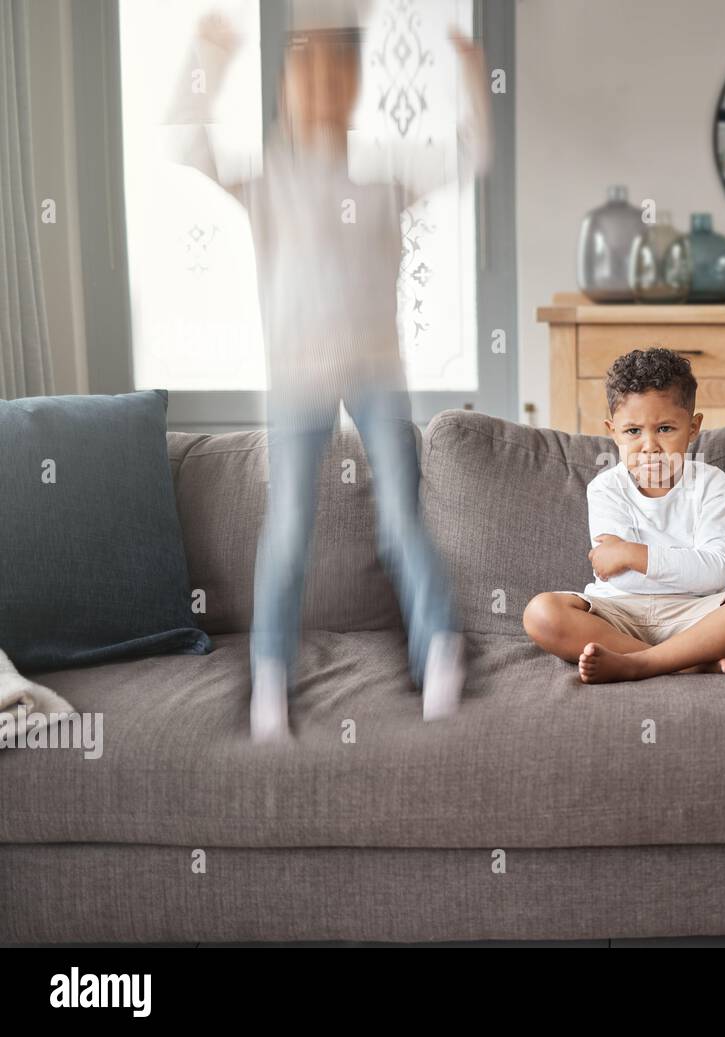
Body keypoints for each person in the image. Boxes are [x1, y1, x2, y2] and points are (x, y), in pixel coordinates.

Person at [171, 11, 492, 739]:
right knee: (288, 526)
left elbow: (470, 154)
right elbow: (187, 139)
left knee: (400, 518)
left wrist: (472, 74)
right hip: (296, 377)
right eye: (307, 74)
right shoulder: (267, 181)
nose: (322, 88)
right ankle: (270, 676)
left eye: (337, 75)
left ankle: (438, 645)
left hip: (377, 369)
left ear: (354, 92)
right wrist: (208, 58)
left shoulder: (379, 181)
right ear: (285, 91)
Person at [522, 348, 725, 682]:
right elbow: (620, 577)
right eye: (633, 431)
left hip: (695, 616)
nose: (649, 446)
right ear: (613, 430)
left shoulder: (714, 486)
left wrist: (632, 553)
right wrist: (709, 568)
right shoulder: (606, 488)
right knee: (541, 613)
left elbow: (712, 574)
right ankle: (688, 662)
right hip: (620, 613)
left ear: (693, 428)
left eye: (665, 428)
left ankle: (639, 665)